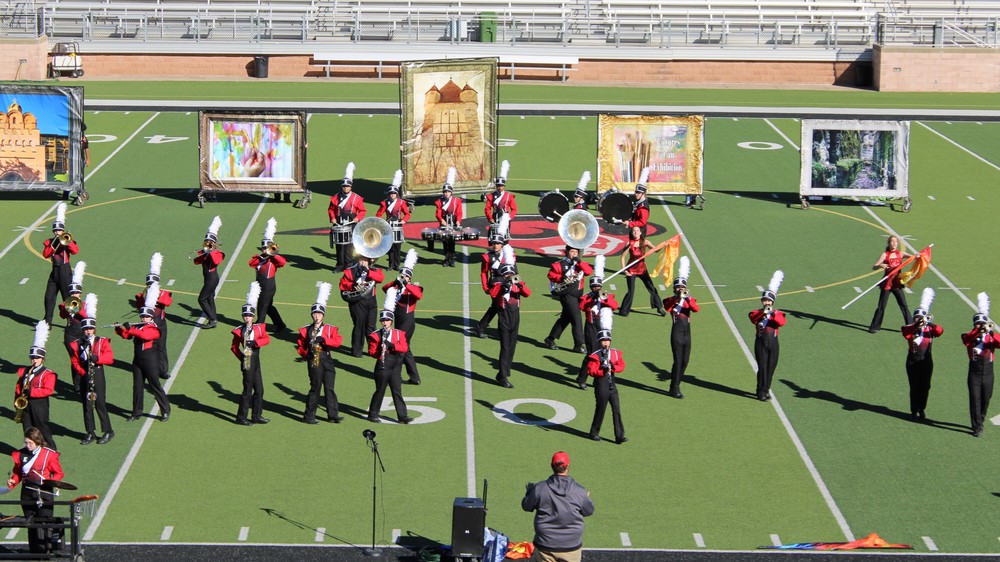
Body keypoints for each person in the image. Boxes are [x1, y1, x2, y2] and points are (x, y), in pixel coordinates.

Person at [521, 451, 594, 562]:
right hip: (571, 546)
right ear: (568, 466)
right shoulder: (579, 491)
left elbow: (526, 506)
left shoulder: (540, 488)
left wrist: (529, 493)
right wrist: (586, 498)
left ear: (552, 466)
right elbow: (589, 511)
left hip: (545, 545)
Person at [116, 284, 170, 422]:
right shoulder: (138, 326)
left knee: (155, 385)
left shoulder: (154, 327)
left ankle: (165, 410)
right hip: (138, 360)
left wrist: (131, 329)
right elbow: (128, 336)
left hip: (150, 361)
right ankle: (136, 412)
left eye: (146, 316)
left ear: (151, 316)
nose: (144, 318)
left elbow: (145, 336)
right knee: (137, 387)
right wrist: (120, 330)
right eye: (142, 316)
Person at [8, 427, 64, 554]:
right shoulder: (21, 454)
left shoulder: (48, 455)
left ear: (38, 441)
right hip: (27, 493)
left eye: (30, 443)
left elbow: (58, 473)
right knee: (30, 523)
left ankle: (46, 552)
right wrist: (13, 481)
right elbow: (18, 473)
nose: (27, 445)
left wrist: (53, 482)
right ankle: (34, 552)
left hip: (44, 492)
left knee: (45, 522)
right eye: (26, 442)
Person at [68, 294, 115, 444]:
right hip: (85, 374)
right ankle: (90, 432)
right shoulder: (77, 343)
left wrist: (97, 359)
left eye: (90, 328)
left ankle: (108, 431)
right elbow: (74, 360)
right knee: (87, 405)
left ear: (94, 329)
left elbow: (110, 358)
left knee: (100, 403)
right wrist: (82, 373)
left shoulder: (102, 341)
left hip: (98, 372)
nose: (88, 331)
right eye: (86, 328)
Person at [296, 283, 343, 424]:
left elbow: (338, 342)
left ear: (323, 315)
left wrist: (325, 340)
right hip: (314, 360)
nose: (317, 316)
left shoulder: (330, 329)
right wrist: (308, 354)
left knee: (329, 388)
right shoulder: (305, 330)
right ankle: (309, 416)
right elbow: (300, 346)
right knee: (315, 388)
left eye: (319, 314)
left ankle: (332, 415)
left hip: (326, 358)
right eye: (315, 314)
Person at [366, 290, 413, 424]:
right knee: (380, 391)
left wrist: (392, 345)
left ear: (391, 321)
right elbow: (371, 352)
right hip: (382, 365)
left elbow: (404, 348)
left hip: (396, 365)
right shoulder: (375, 335)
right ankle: (373, 414)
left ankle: (402, 416)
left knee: (397, 391)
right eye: (383, 320)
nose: (385, 323)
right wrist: (380, 348)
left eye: (387, 320)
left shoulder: (399, 334)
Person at [575, 257, 618, 390]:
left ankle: (598, 378)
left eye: (598, 286)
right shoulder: (587, 296)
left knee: (604, 354)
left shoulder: (606, 295)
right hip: (591, 327)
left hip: (603, 328)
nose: (596, 288)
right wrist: (592, 299)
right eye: (594, 287)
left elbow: (615, 306)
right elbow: (582, 306)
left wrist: (603, 299)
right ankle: (582, 378)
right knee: (592, 354)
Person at [231, 282, 270, 426]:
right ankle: (241, 417)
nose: (247, 318)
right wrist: (241, 357)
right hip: (247, 359)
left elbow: (267, 339)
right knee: (247, 390)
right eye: (245, 315)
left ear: (253, 316)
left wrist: (256, 343)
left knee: (259, 390)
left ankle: (256, 415)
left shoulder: (259, 328)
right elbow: (234, 347)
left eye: (249, 315)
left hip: (256, 358)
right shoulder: (239, 330)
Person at [585, 311, 627, 444]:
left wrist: (613, 368)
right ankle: (594, 432)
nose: (605, 343)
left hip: (611, 383)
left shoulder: (614, 353)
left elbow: (622, 365)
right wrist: (602, 370)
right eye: (603, 341)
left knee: (616, 409)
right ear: (599, 341)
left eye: (607, 340)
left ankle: (619, 435)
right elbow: (591, 371)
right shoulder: (595, 355)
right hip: (601, 384)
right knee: (601, 409)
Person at [901, 288, 942, 422]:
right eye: (916, 317)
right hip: (913, 361)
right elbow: (906, 333)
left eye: (920, 317)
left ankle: (922, 408)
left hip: (926, 361)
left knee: (925, 386)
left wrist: (929, 322)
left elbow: (940, 331)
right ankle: (913, 410)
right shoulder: (909, 328)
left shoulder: (929, 329)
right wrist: (917, 325)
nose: (918, 319)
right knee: (914, 386)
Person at [16, 321, 58, 451]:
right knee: (28, 429)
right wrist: (17, 402)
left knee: (42, 428)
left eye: (37, 358)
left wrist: (31, 392)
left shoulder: (48, 374)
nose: (34, 360)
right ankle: (30, 450)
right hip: (26, 404)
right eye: (33, 357)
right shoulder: (25, 371)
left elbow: (48, 390)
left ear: (42, 359)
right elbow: (18, 386)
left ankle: (52, 451)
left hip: (39, 404)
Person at [382, 250, 423, 385]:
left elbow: (418, 295)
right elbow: (384, 288)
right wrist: (395, 282)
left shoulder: (414, 287)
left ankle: (395, 375)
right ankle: (414, 377)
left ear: (410, 278)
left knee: (400, 348)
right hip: (399, 319)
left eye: (405, 276)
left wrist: (407, 284)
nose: (402, 277)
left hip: (407, 320)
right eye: (401, 275)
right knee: (406, 349)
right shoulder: (397, 286)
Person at [661, 257, 698, 399]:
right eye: (678, 287)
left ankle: (676, 383)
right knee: (678, 360)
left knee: (685, 361)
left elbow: (696, 309)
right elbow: (668, 307)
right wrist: (678, 298)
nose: (680, 289)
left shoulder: (689, 299)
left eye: (682, 287)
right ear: (674, 288)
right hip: (676, 332)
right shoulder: (671, 300)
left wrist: (687, 299)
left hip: (687, 333)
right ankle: (674, 387)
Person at [490, 263, 531, 388]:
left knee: (512, 347)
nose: (510, 276)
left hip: (515, 316)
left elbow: (527, 293)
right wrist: (504, 286)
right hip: (504, 316)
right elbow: (493, 294)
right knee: (505, 347)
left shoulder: (517, 284)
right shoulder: (498, 284)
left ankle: (504, 373)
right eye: (507, 274)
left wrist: (518, 284)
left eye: (511, 274)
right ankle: (502, 376)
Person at [544, 246, 592, 353]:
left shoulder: (580, 264)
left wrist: (579, 261)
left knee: (565, 318)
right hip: (566, 295)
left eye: (576, 251)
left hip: (577, 295)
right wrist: (562, 278)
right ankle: (579, 345)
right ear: (567, 252)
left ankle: (550, 339)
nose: (574, 254)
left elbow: (588, 271)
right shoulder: (560, 264)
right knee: (577, 319)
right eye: (572, 251)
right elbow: (551, 275)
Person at [962, 293, 997, 438]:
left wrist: (991, 332)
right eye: (978, 324)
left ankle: (980, 420)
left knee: (985, 399)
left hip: (988, 372)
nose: (981, 326)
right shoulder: (969, 335)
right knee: (975, 400)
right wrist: (978, 330)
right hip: (975, 373)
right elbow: (966, 339)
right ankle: (976, 426)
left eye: (982, 323)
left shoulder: (990, 338)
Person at [133, 252, 172, 379]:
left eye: (152, 285)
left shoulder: (163, 293)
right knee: (147, 348)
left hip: (159, 323)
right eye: (149, 285)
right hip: (146, 324)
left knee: (161, 347)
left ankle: (163, 370)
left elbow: (168, 302)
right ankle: (148, 368)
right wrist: (145, 297)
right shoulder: (142, 294)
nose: (150, 286)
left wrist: (155, 296)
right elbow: (139, 306)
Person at [749, 271, 786, 402]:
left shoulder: (778, 313)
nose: (766, 302)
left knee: (771, 368)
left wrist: (772, 314)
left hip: (774, 343)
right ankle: (760, 391)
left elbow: (781, 322)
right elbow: (753, 319)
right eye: (764, 300)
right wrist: (764, 313)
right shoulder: (756, 312)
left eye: (768, 300)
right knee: (763, 367)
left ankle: (766, 389)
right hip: (761, 342)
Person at [474, 217, 512, 339]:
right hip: (495, 285)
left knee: (496, 308)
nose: (496, 246)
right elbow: (484, 273)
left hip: (507, 284)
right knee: (501, 308)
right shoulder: (487, 257)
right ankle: (504, 333)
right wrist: (486, 287)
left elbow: (513, 269)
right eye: (494, 243)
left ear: (502, 244)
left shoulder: (509, 255)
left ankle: (480, 327)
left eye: (498, 244)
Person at [340, 254, 385, 357]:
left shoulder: (374, 270)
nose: (363, 262)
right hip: (357, 302)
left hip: (371, 300)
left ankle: (373, 350)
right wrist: (353, 285)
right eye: (361, 260)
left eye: (365, 260)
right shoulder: (350, 271)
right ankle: (357, 351)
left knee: (371, 326)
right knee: (359, 326)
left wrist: (368, 271)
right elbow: (342, 284)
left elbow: (380, 278)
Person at [42, 203, 78, 326]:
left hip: (65, 270)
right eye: (56, 230)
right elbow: (46, 254)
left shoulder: (67, 240)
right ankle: (47, 321)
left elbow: (75, 251)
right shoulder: (50, 241)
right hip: (55, 271)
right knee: (49, 297)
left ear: (63, 230)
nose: (57, 232)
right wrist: (54, 244)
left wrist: (66, 242)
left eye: (59, 230)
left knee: (66, 297)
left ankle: (71, 320)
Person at [248, 217, 287, 332]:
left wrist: (273, 254)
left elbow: (283, 262)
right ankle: (280, 324)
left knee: (262, 305)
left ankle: (259, 325)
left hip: (268, 285)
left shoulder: (273, 260)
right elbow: (251, 263)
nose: (265, 250)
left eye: (267, 248)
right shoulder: (260, 258)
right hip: (260, 284)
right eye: (263, 248)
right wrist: (261, 256)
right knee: (268, 306)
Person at [618, 226, 664, 317]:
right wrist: (624, 270)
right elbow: (623, 257)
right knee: (631, 291)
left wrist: (664, 244)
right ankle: (624, 311)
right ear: (631, 233)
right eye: (633, 231)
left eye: (637, 231)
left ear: (640, 232)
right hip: (631, 270)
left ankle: (659, 307)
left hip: (642, 269)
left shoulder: (645, 242)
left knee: (651, 288)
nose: (635, 232)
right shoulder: (629, 243)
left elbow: (656, 250)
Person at [869, 235, 912, 333]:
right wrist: (880, 265)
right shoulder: (885, 255)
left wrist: (918, 255)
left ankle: (911, 326)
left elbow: (913, 257)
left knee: (904, 305)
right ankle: (874, 327)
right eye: (892, 242)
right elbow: (874, 267)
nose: (894, 243)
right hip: (887, 284)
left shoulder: (901, 254)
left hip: (896, 284)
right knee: (881, 306)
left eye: (896, 242)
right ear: (888, 243)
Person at [328, 162, 366, 271]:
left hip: (351, 222)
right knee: (339, 245)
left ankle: (348, 265)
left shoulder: (356, 198)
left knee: (349, 245)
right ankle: (339, 265)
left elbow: (362, 210)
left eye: (347, 186)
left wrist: (357, 218)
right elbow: (331, 209)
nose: (345, 188)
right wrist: (333, 218)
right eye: (344, 186)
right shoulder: (335, 197)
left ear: (351, 186)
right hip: (339, 221)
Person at [193, 216, 224, 329]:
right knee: (210, 298)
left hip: (212, 278)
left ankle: (212, 319)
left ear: (214, 243)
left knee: (201, 299)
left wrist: (211, 251)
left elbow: (216, 261)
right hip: (207, 278)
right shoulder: (205, 252)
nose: (207, 243)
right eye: (206, 241)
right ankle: (213, 318)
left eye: (210, 242)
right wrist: (203, 252)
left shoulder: (218, 253)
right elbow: (196, 261)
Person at [375, 170, 410, 271]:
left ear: (396, 194)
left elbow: (407, 214)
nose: (392, 195)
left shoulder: (401, 203)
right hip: (388, 225)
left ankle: (397, 265)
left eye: (394, 194)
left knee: (397, 246)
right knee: (389, 246)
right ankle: (391, 265)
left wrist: (404, 220)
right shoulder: (384, 203)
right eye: (391, 194)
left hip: (398, 225)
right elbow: (379, 214)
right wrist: (382, 222)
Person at [434, 167, 463, 267]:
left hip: (453, 222)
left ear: (451, 192)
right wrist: (441, 220)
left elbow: (459, 213)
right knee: (445, 242)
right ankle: (446, 259)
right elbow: (438, 213)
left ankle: (452, 259)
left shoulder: (456, 201)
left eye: (448, 192)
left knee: (452, 242)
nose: (446, 193)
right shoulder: (439, 201)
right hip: (444, 222)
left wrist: (458, 221)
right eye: (445, 192)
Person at [58, 261, 87, 357]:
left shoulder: (85, 304)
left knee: (83, 359)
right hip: (70, 333)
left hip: (83, 333)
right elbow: (62, 316)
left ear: (80, 294)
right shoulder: (67, 303)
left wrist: (78, 307)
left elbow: (86, 317)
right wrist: (66, 308)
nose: (74, 295)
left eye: (76, 293)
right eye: (72, 293)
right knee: (73, 359)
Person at [485, 160, 517, 238]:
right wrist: (490, 218)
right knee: (493, 238)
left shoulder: (509, 196)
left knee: (505, 237)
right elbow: (487, 209)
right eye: (498, 185)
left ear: (504, 186)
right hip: (495, 216)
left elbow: (514, 209)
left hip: (505, 217)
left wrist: (509, 217)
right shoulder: (491, 196)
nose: (500, 187)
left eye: (501, 185)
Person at [627, 168, 650, 235]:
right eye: (636, 192)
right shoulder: (639, 202)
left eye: (638, 193)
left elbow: (642, 222)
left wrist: (630, 223)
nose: (636, 194)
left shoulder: (643, 208)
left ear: (643, 194)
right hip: (635, 229)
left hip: (639, 232)